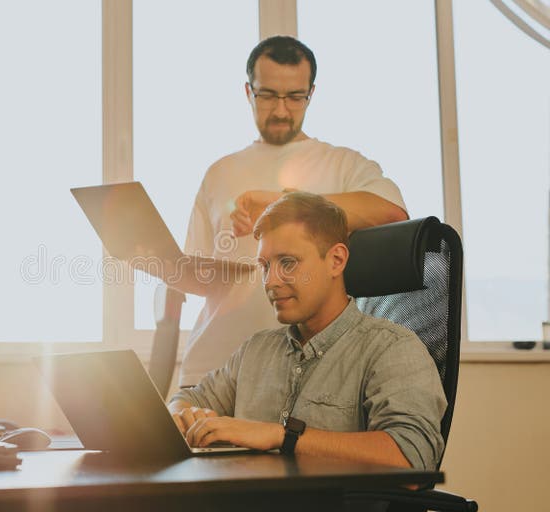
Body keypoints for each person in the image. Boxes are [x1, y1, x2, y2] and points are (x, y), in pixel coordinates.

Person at [179, 35, 408, 386]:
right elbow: (197, 277)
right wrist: (161, 265)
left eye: (295, 97)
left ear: (311, 94)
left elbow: (393, 215)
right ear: (248, 92)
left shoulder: (343, 164)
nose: (282, 110)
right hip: (209, 369)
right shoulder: (219, 172)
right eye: (268, 95)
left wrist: (282, 201)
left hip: (302, 373)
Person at [169, 192, 446, 471]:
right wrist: (184, 417)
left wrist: (282, 436)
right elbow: (185, 401)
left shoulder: (393, 348)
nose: (270, 281)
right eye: (265, 266)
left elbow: (412, 459)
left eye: (287, 263)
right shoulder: (255, 350)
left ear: (336, 260)